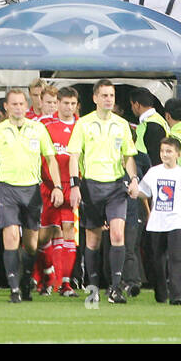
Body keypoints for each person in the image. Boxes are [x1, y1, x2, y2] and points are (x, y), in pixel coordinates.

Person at [0, 87, 63, 303]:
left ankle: (26, 281)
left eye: (21, 104)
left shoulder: (38, 129)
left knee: (31, 244)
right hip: (7, 189)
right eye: (13, 104)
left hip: (32, 190)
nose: (18, 107)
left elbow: (51, 159)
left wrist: (57, 186)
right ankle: (14, 288)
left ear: (27, 106)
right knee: (10, 237)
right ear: (6, 107)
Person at [67, 79, 139, 305]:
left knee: (118, 234)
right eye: (105, 95)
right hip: (91, 186)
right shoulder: (83, 124)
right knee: (93, 241)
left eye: (112, 96)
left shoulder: (122, 124)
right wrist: (74, 185)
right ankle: (93, 288)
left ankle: (115, 289)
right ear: (95, 98)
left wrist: (134, 179)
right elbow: (74, 156)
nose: (109, 99)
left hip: (116, 186)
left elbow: (128, 156)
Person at [134, 136, 181, 305]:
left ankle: (176, 295)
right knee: (157, 260)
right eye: (162, 151)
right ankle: (161, 293)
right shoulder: (154, 172)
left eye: (169, 151)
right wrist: (133, 191)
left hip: (176, 223)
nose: (165, 154)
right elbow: (144, 192)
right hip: (157, 223)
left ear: (177, 154)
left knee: (177, 259)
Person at [36, 85, 80, 296]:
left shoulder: (81, 126)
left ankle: (66, 283)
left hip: (71, 185)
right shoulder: (44, 124)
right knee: (44, 236)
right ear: (58, 102)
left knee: (69, 229)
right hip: (49, 186)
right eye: (65, 103)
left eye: (72, 104)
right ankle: (46, 274)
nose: (68, 107)